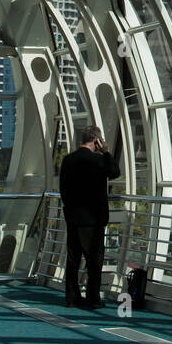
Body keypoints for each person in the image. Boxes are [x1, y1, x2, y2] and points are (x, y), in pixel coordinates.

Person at [59, 124, 119, 308]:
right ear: (97, 140)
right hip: (93, 219)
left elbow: (63, 188)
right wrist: (107, 153)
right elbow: (115, 172)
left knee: (73, 259)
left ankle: (72, 297)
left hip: (73, 217)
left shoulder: (68, 160)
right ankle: (93, 298)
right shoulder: (98, 160)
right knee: (94, 260)